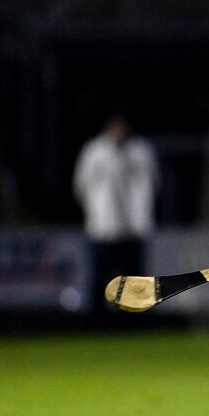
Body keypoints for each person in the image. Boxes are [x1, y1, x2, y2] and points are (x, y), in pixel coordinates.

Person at [73, 115, 161, 324]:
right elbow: (81, 185)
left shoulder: (141, 150)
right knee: (100, 277)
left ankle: (134, 321)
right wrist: (95, 211)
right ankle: (97, 321)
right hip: (103, 227)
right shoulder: (95, 151)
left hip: (134, 228)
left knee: (134, 277)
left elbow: (154, 183)